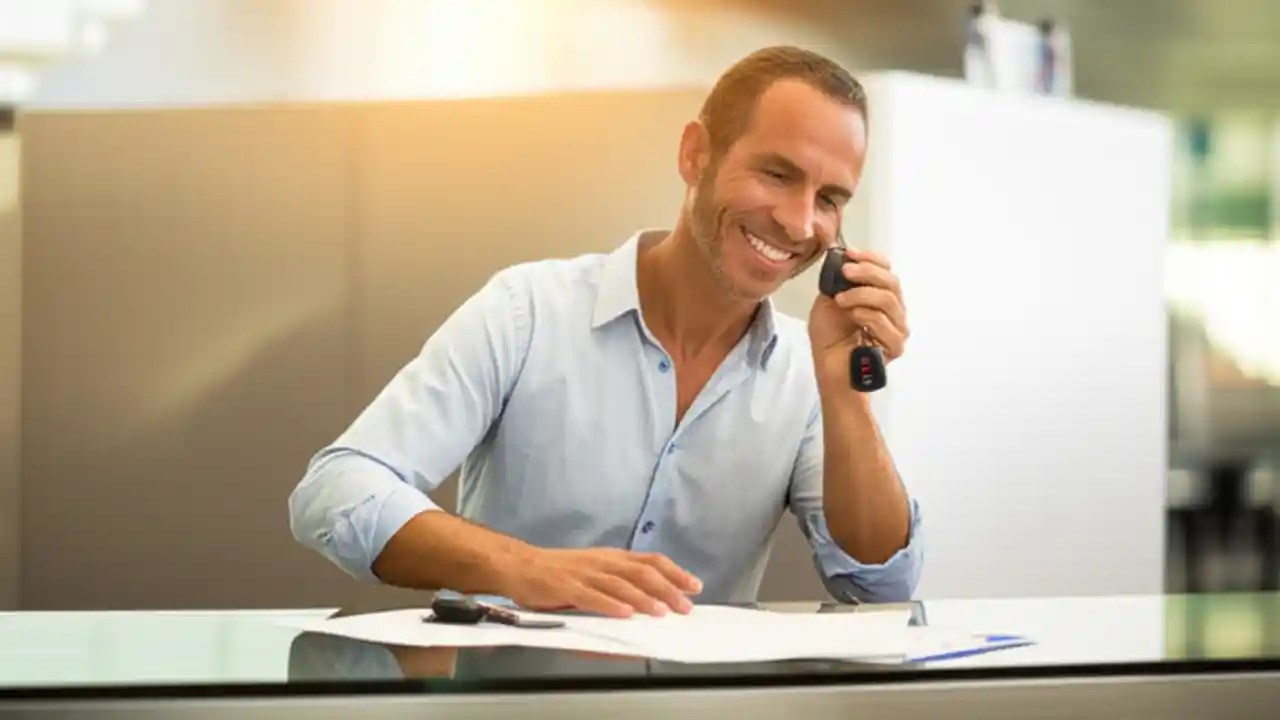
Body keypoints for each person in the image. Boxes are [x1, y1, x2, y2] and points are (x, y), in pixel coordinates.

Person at [289, 45, 923, 618]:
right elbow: (336, 491)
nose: (798, 221)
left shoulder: (805, 375)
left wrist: (846, 396)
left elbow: (880, 588)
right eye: (778, 175)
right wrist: (526, 567)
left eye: (830, 199)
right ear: (695, 154)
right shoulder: (527, 310)